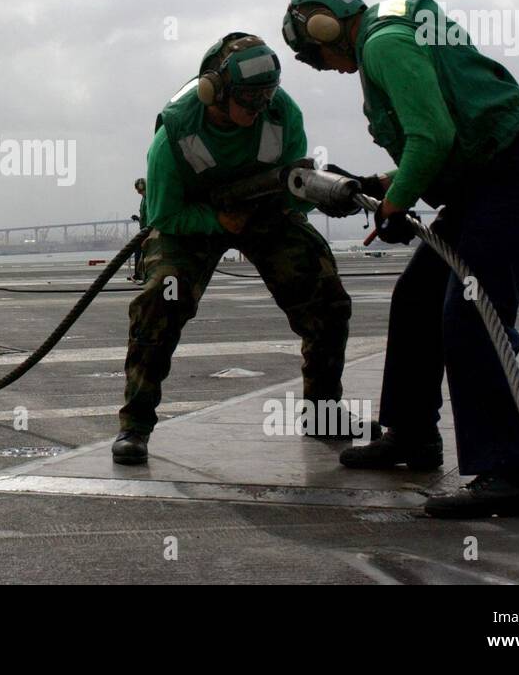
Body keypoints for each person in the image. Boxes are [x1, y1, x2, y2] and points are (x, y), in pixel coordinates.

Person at [282, 0, 519, 519]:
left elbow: (431, 135)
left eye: (317, 59)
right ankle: (412, 436)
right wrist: (383, 186)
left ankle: (508, 473)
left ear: (324, 28)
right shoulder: (396, 31)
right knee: (416, 299)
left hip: (512, 176)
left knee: (472, 317)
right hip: (484, 181)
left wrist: (395, 204)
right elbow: (447, 137)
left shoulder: (381, 44)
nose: (329, 70)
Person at [112, 32, 354, 467]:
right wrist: (217, 221)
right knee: (162, 297)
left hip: (262, 210)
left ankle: (324, 412)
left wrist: (318, 194)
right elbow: (164, 217)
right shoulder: (175, 133)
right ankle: (135, 424)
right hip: (189, 219)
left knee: (326, 298)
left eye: (266, 96)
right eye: (248, 99)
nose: (259, 108)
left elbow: (292, 185)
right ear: (216, 92)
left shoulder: (282, 114)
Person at [129, 178, 147, 282]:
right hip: (144, 229)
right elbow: (144, 216)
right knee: (138, 249)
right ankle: (138, 273)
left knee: (140, 249)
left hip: (148, 230)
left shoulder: (148, 198)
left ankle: (139, 273)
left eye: (139, 189)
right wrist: (138, 218)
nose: (138, 191)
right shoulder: (144, 199)